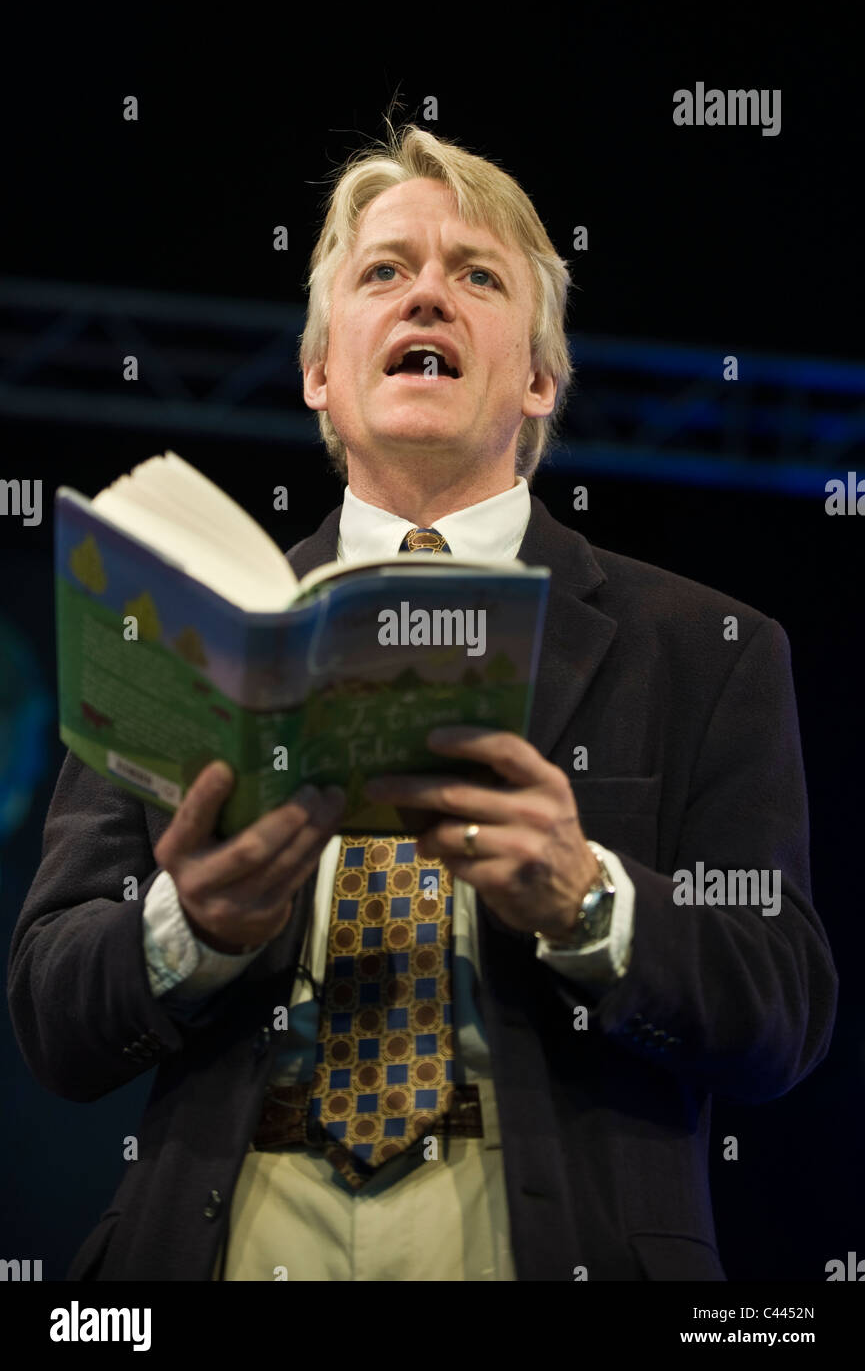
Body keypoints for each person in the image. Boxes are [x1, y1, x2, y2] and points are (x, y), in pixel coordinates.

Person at [8, 122, 838, 1281]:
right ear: (317, 371)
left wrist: (585, 896)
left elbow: (782, 1007)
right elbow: (52, 1009)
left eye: (477, 275)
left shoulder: (707, 648)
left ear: (539, 378)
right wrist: (186, 930)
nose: (427, 297)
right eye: (384, 271)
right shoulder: (180, 624)